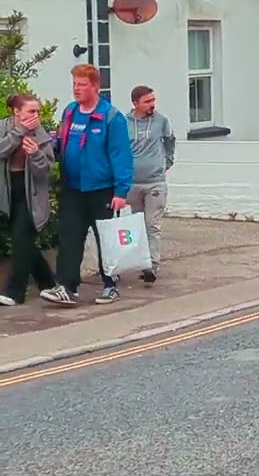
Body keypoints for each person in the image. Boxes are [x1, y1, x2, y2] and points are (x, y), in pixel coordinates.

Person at [39, 64, 133, 306]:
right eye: (74, 84)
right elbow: (61, 142)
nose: (76, 89)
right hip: (72, 189)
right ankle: (68, 288)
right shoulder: (70, 112)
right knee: (69, 238)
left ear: (95, 86)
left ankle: (110, 284)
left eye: (82, 85)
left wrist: (121, 191)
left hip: (102, 190)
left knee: (106, 240)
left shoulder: (112, 117)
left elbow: (121, 155)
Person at [0, 94, 56, 306]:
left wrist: (35, 155)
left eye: (38, 111)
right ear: (16, 112)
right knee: (23, 241)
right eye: (31, 111)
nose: (36, 116)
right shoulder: (4, 127)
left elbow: (45, 171)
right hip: (7, 190)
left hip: (30, 194)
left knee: (21, 238)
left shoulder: (40, 134)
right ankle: (49, 283)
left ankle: (15, 292)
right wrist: (19, 132)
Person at [125, 85, 175, 283]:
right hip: (132, 183)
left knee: (151, 224)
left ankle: (152, 266)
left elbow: (170, 141)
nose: (152, 105)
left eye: (153, 100)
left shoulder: (161, 121)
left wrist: (167, 162)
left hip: (155, 182)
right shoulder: (124, 122)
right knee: (137, 225)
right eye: (147, 101)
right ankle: (142, 262)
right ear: (135, 103)